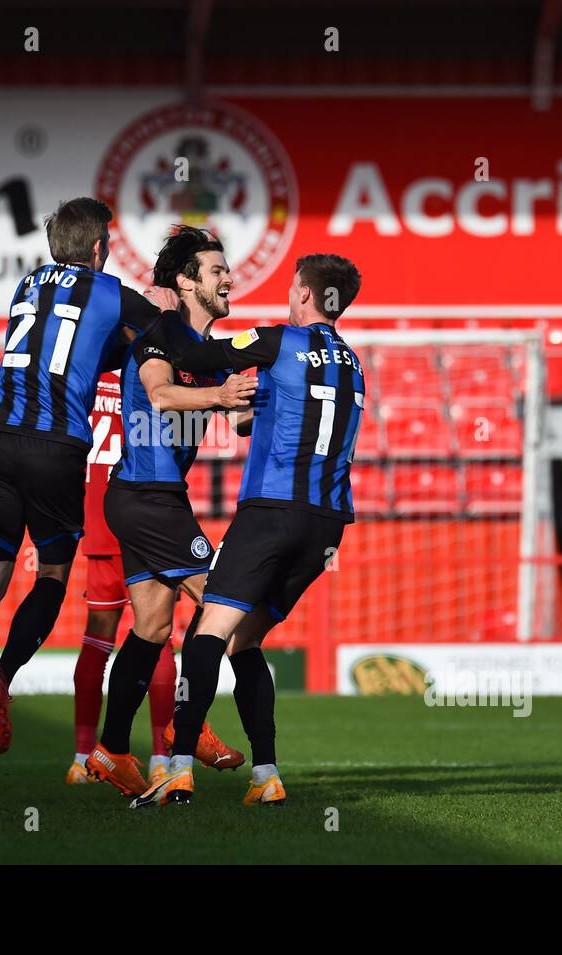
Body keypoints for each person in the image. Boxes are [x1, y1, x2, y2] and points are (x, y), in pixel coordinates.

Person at [0, 197, 172, 757]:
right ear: (99, 248)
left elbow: (78, 348)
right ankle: (2, 675)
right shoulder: (108, 291)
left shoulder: (26, 287)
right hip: (55, 449)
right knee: (50, 575)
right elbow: (160, 335)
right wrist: (165, 311)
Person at [131, 253, 365, 808]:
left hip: (271, 512)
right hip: (328, 525)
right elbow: (287, 406)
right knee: (245, 639)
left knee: (208, 631)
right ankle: (266, 776)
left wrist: (164, 315)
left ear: (305, 294)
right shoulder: (354, 362)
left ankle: (179, 768)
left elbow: (195, 352)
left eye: (291, 288)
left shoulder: (279, 339)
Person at [82, 227, 252, 796]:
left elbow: (237, 415)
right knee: (225, 604)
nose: (229, 278)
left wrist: (257, 403)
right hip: (148, 496)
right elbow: (159, 394)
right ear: (185, 282)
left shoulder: (206, 353)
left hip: (144, 498)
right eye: (216, 270)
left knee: (151, 628)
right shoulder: (161, 332)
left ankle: (110, 749)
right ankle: (190, 723)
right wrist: (220, 396)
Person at [66, 370, 182, 787]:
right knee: (157, 635)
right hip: (143, 519)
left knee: (96, 638)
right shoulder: (152, 380)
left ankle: (82, 758)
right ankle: (160, 759)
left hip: (98, 520)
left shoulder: (84, 383)